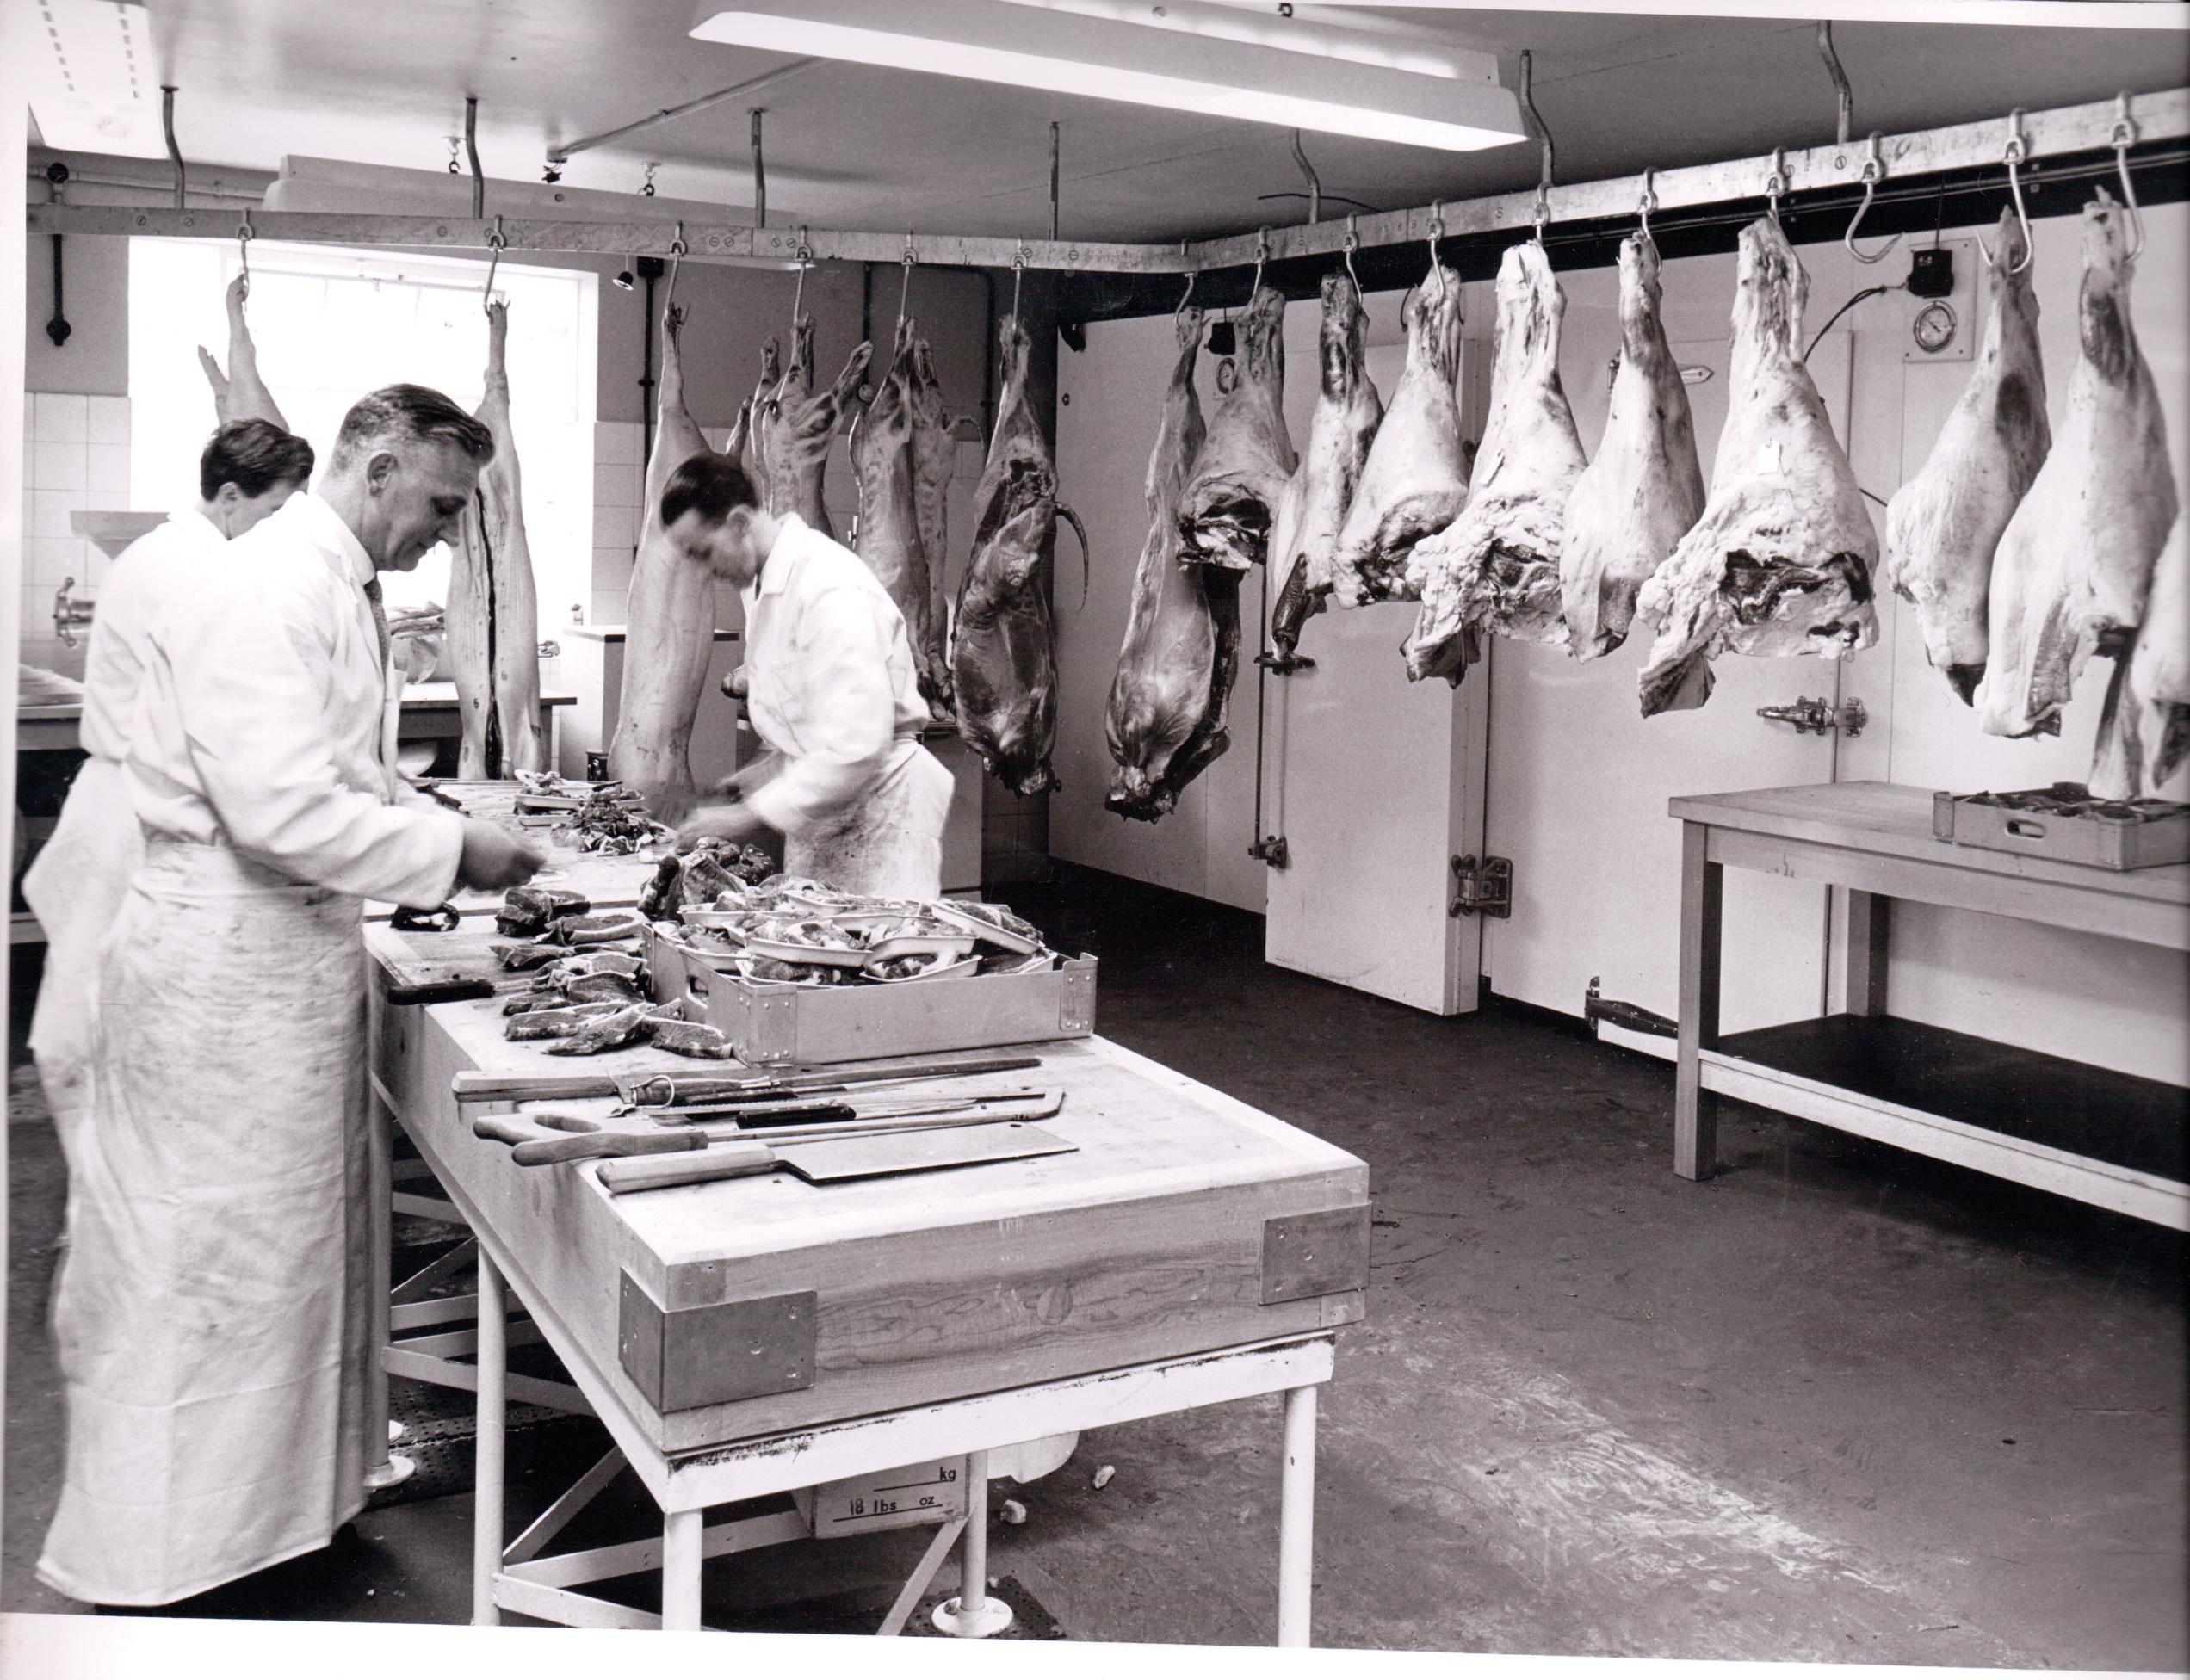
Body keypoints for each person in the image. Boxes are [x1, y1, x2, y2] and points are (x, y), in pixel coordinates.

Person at [36, 384, 543, 1610]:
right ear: (372, 468)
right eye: (437, 503)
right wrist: (453, 856)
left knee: (279, 1261)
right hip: (224, 964)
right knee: (206, 1261)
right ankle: (171, 1556)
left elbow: (333, 773)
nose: (445, 533)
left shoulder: (331, 585)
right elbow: (275, 811)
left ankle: (273, 1518)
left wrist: (428, 817)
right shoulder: (273, 586)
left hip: (277, 958)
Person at [25, 417, 316, 1144]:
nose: (280, 532)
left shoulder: (174, 554)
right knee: (105, 1039)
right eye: (275, 513)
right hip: (131, 820)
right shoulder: (188, 570)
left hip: (133, 805)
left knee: (107, 1034)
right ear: (227, 496)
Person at [664, 451, 954, 899]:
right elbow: (817, 723)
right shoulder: (766, 585)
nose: (703, 572)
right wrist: (761, 774)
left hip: (880, 816)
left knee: (876, 958)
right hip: (832, 819)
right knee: (809, 956)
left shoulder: (828, 588)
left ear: (740, 523)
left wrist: (747, 817)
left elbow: (856, 745)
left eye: (703, 553)